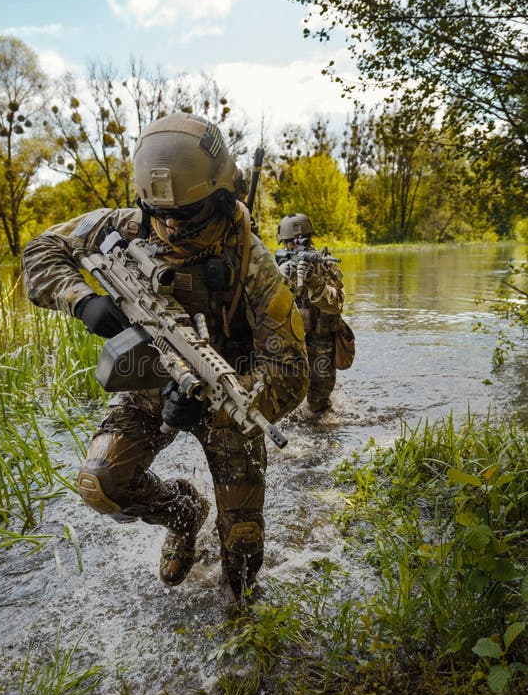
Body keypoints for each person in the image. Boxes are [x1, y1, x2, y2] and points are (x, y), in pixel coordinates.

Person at [22, 112, 309, 603]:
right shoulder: (126, 227)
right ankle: (183, 513)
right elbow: (42, 249)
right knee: (100, 481)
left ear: (221, 196)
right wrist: (82, 299)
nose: (172, 226)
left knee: (241, 557)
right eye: (163, 214)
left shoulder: (254, 263)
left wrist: (213, 405)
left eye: (188, 215)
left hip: (232, 394)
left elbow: (293, 373)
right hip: (151, 382)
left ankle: (238, 635)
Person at [275, 213, 345, 414]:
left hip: (322, 342)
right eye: (290, 244)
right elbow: (267, 305)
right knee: (284, 401)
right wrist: (281, 276)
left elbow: (337, 304)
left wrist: (314, 282)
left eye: (299, 243)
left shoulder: (325, 266)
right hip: (290, 341)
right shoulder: (280, 267)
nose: (294, 247)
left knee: (319, 402)